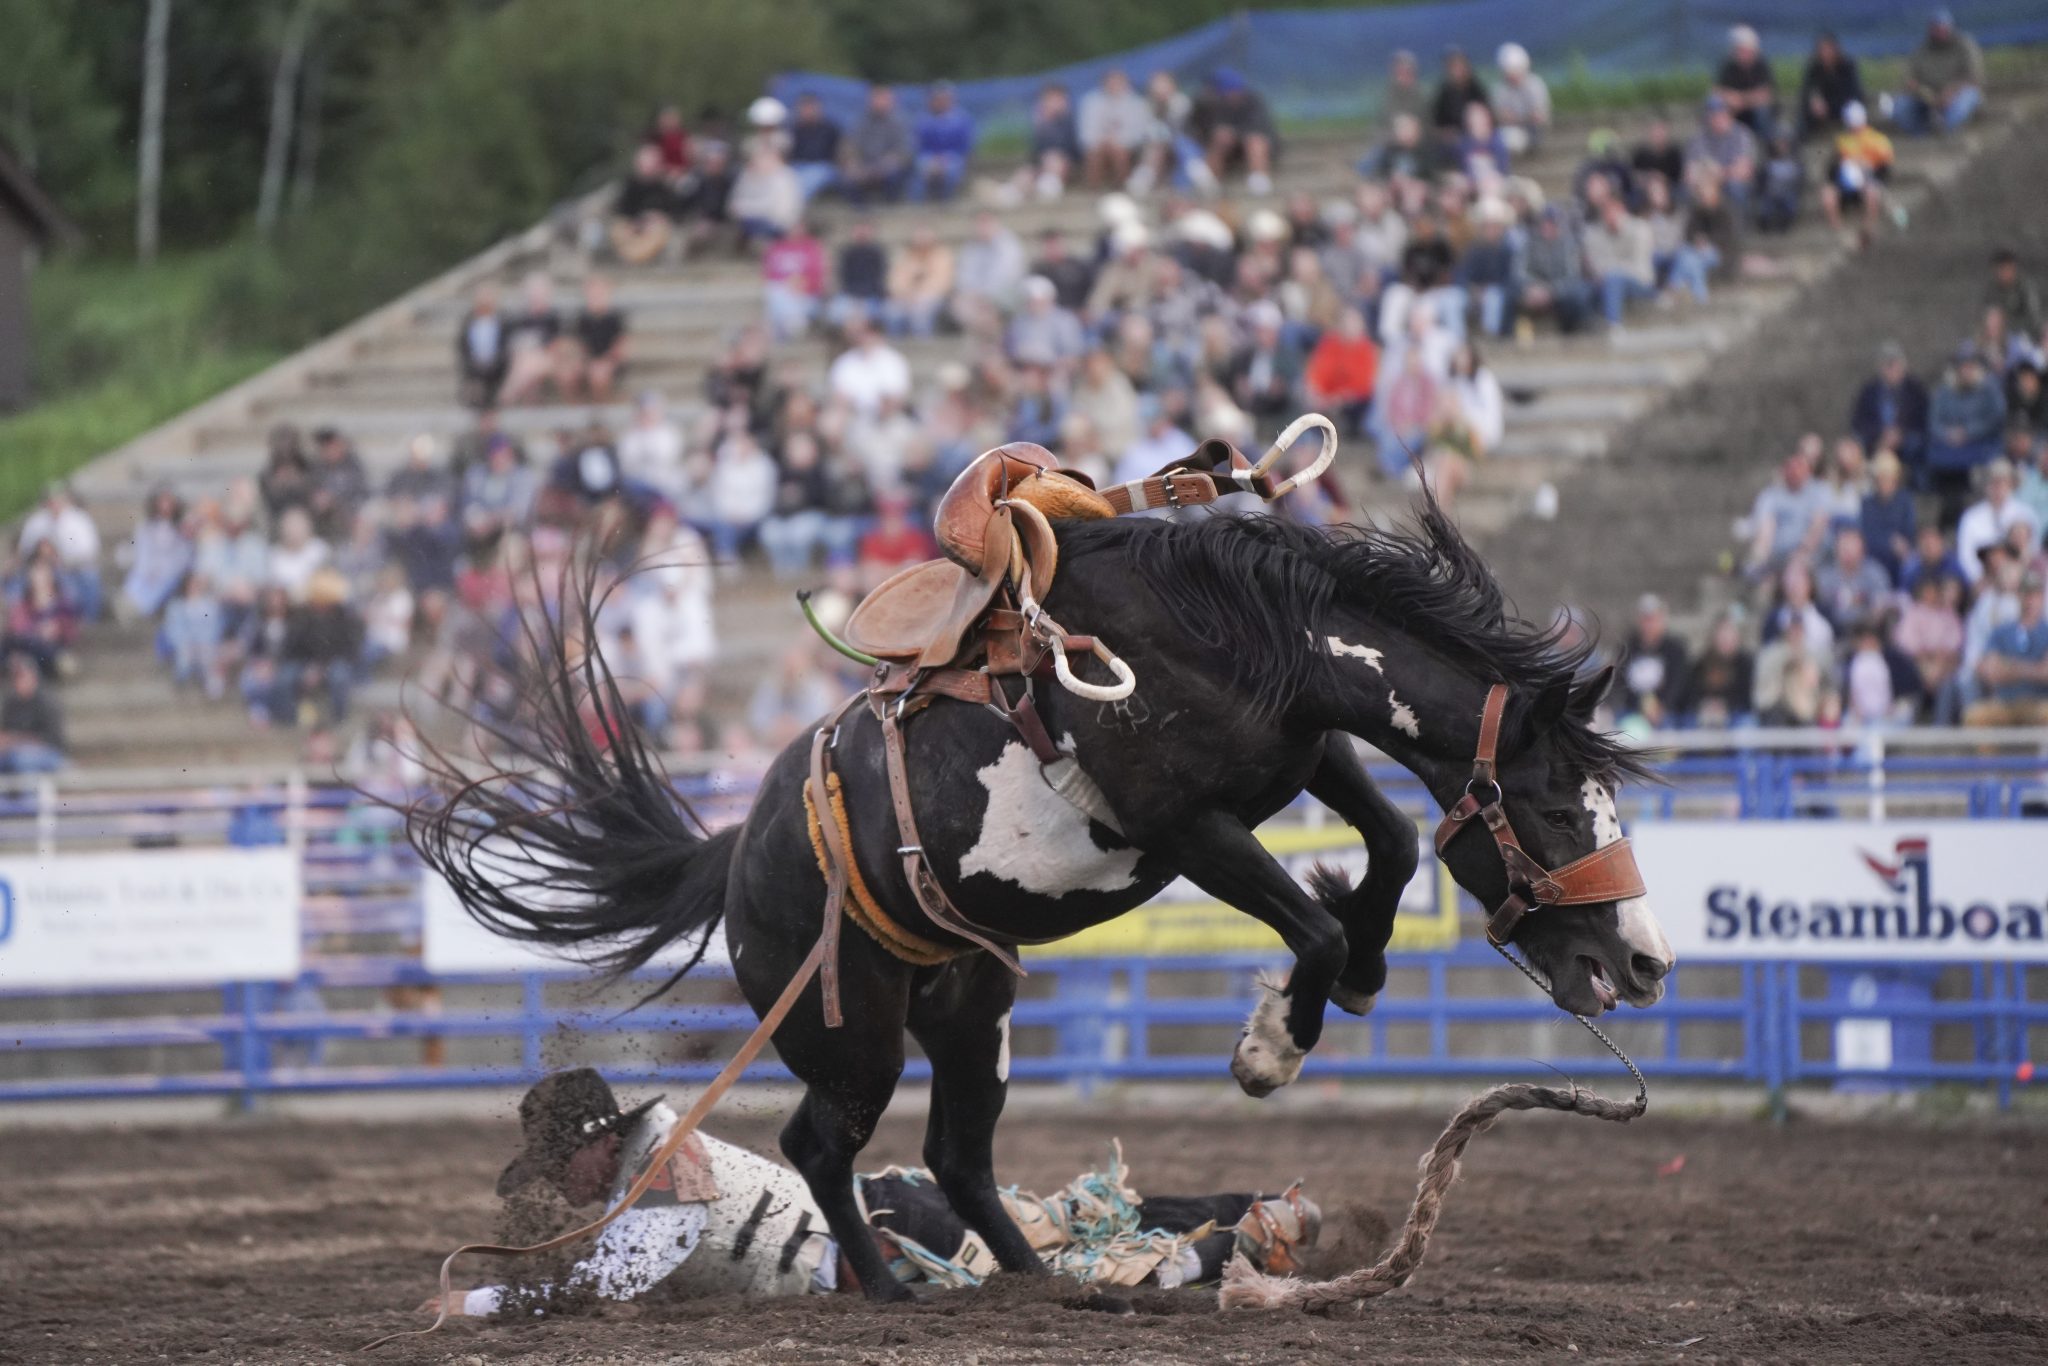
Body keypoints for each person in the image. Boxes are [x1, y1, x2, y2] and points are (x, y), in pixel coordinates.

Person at [428, 1070, 1320, 1321]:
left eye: (562, 1170)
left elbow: (613, 1282)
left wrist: (479, 1300)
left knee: (1063, 1278)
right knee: (1055, 1228)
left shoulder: (658, 1171)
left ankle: (1235, 1245)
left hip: (889, 1241)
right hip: (886, 1216)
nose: (566, 1191)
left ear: (594, 1148)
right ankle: (1251, 1205)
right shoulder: (652, 1162)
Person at [1928, 346, 2008, 508]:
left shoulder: (1989, 390)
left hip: (1980, 445)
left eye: (1970, 367)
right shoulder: (1945, 391)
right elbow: (1933, 422)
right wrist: (1948, 434)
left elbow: (1996, 418)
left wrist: (1968, 432)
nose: (1966, 371)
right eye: (1962, 367)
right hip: (1950, 445)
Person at [1965, 573, 2048, 725]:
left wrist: (2011, 666)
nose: (2030, 600)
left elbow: (2046, 673)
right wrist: (2032, 669)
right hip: (2005, 701)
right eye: (2026, 594)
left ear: (2042, 598)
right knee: (1975, 716)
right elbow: (1993, 672)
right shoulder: (2002, 631)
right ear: (2018, 596)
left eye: (2035, 595)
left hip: (2039, 701)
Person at [1893, 9, 1984, 135]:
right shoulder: (1921, 49)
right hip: (1927, 95)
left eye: (1942, 28)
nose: (1939, 32)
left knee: (1958, 110)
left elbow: (1973, 77)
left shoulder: (1965, 45)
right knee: (1901, 107)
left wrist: (1952, 91)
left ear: (1950, 27)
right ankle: (1921, 136)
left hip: (1958, 93)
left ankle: (1948, 131)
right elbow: (1908, 75)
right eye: (1935, 28)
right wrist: (1916, 87)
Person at [1745, 451, 1832, 580]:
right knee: (1756, 571)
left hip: (1811, 555)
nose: (1794, 472)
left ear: (1808, 470)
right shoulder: (1770, 496)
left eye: (1799, 467)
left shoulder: (1820, 492)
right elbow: (1765, 532)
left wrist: (1801, 552)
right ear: (1783, 470)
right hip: (1778, 558)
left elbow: (1817, 528)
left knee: (1798, 571)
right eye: (1790, 467)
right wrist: (1759, 557)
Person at [1191, 68, 1276, 196]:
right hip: (1226, 149)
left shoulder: (1254, 101)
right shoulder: (1211, 104)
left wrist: (1235, 133)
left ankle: (1259, 179)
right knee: (1221, 138)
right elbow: (1203, 129)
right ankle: (1210, 183)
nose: (1232, 95)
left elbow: (1260, 128)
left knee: (1255, 141)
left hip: (1253, 146)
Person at [1955, 458, 2041, 584]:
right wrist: (1979, 579)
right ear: (1986, 485)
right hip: (1982, 581)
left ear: (2011, 485)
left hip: (2019, 580)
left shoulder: (2026, 514)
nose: (1998, 488)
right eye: (1994, 482)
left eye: (2003, 482)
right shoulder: (1971, 517)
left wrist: (2015, 576)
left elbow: (2033, 550)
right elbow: (1966, 557)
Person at [1849, 341, 1930, 471]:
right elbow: (1858, 422)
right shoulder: (1869, 391)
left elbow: (1922, 419)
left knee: (1917, 444)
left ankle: (1917, 486)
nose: (1892, 370)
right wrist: (1881, 434)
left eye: (1895, 364)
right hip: (1877, 439)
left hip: (1906, 438)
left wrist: (1900, 433)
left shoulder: (1915, 390)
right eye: (1888, 365)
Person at [1820, 103, 1894, 239]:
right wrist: (1842, 164)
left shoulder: (1878, 140)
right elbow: (1830, 171)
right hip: (1844, 184)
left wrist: (1868, 168)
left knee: (1872, 191)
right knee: (1827, 193)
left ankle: (1868, 229)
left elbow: (1884, 169)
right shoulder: (1842, 141)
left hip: (1867, 182)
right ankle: (1838, 231)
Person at [1615, 594, 1689, 730]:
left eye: (1653, 619)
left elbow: (1678, 682)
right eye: (1645, 619)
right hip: (1633, 711)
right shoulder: (1627, 647)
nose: (1649, 624)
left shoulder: (1675, 649)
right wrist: (1641, 706)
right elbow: (1619, 682)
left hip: (1666, 711)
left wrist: (1662, 706)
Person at [1582, 195, 1656, 329]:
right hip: (1605, 283)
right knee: (1581, 290)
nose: (1610, 215)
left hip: (1640, 283)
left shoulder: (1640, 229)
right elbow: (1596, 267)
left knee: (1613, 277)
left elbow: (1639, 268)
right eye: (1606, 211)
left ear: (1622, 210)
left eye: (1613, 210)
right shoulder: (1593, 233)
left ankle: (1613, 325)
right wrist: (1614, 270)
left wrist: (1614, 270)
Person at [1304, 306, 1379, 437]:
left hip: (1353, 400)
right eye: (1346, 324)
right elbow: (1318, 371)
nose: (1349, 328)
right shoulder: (1329, 343)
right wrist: (1317, 394)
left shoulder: (1366, 349)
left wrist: (1340, 398)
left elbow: (1364, 384)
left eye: (1353, 324)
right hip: (1328, 398)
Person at [1679, 611, 1756, 727]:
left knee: (1746, 724)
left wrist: (1726, 706)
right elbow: (1691, 695)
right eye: (1721, 632)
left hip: (1735, 714)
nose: (1725, 637)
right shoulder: (1701, 663)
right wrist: (1706, 705)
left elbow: (1747, 698)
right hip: (1703, 713)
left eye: (1729, 632)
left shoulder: (1746, 663)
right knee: (1688, 723)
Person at [560, 275, 628, 402]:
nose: (595, 297)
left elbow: (620, 347)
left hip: (608, 362)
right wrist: (584, 362)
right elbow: (577, 345)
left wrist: (605, 363)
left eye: (598, 293)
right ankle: (575, 408)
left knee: (598, 374)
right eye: (592, 293)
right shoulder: (582, 318)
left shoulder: (615, 317)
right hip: (588, 361)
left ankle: (599, 411)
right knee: (567, 374)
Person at [499, 273, 564, 406]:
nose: (535, 297)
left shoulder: (552, 317)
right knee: (525, 361)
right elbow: (514, 344)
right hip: (524, 361)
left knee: (528, 362)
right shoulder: (522, 318)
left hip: (546, 359)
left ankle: (509, 393)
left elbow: (555, 345)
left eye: (539, 293)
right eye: (533, 294)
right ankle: (527, 400)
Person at [1079, 69, 1150, 188]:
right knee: (1095, 153)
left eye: (1118, 82)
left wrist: (1118, 141)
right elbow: (1086, 131)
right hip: (1098, 144)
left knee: (1119, 152)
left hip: (1126, 146)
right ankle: (1093, 188)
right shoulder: (1091, 102)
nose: (1114, 86)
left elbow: (1139, 133)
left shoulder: (1137, 104)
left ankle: (1122, 186)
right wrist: (1102, 141)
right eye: (1111, 82)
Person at [843, 85, 913, 204]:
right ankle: (860, 208)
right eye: (876, 99)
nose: (879, 103)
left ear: (891, 102)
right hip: (864, 163)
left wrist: (883, 166)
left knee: (894, 173)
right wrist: (853, 164)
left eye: (883, 99)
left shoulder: (900, 122)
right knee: (847, 177)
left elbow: (905, 151)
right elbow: (850, 145)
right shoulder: (861, 121)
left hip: (888, 164)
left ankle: (890, 203)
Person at [827, 320, 911, 417]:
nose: (866, 338)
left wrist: (882, 411)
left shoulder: (894, 360)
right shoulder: (844, 362)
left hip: (887, 414)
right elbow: (839, 396)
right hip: (852, 414)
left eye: (870, 334)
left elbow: (896, 396)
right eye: (863, 334)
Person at [761, 218, 826, 342]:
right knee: (774, 291)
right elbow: (770, 273)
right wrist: (788, 283)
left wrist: (803, 284)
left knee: (781, 297)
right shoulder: (777, 248)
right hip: (782, 291)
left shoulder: (812, 248)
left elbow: (818, 277)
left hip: (806, 294)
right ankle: (784, 328)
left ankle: (786, 328)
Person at [883, 226, 954, 338]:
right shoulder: (904, 256)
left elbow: (942, 284)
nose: (922, 241)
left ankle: (922, 347)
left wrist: (919, 293)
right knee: (892, 310)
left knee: (921, 311)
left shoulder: (942, 256)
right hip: (905, 298)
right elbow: (894, 283)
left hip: (931, 298)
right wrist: (908, 294)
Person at [910, 82, 975, 203]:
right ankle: (916, 206)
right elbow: (918, 147)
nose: (940, 102)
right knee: (921, 170)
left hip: (953, 157)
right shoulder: (922, 120)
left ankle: (946, 204)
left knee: (951, 171)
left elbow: (965, 147)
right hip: (928, 157)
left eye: (943, 98)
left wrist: (945, 159)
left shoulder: (962, 119)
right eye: (937, 99)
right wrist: (933, 160)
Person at [1712, 24, 1779, 142]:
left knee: (1762, 110)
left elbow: (1765, 94)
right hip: (1735, 109)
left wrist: (1741, 99)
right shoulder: (1729, 66)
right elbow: (1717, 90)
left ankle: (1764, 143)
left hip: (1754, 111)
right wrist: (1730, 98)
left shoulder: (1761, 66)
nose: (1740, 53)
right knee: (1714, 104)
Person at [0, 652, 64, 773]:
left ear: (33, 677)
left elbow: (51, 739)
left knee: (22, 761)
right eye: (16, 677)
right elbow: (5, 732)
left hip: (48, 752)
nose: (18, 682)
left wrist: (16, 740)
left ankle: (29, 792)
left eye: (22, 676)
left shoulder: (47, 702)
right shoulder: (11, 703)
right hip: (14, 751)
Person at [1861, 449, 1917, 581]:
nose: (1884, 482)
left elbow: (1909, 530)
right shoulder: (1867, 503)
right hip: (1874, 555)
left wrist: (1901, 544)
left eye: (1888, 477)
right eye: (1880, 477)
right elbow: (1867, 533)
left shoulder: (1905, 500)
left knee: (1911, 563)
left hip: (1900, 555)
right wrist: (1889, 541)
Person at [1797, 31, 1865, 139]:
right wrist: (1814, 101)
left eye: (1828, 49)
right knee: (1805, 113)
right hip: (1822, 108)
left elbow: (1853, 93)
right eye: (1822, 49)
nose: (1826, 53)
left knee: (1855, 110)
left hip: (1842, 105)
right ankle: (1803, 141)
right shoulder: (1814, 68)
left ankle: (1857, 141)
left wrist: (1830, 104)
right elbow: (1807, 91)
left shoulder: (1847, 66)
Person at [455, 284, 511, 407]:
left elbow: (506, 348)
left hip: (498, 369)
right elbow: (463, 349)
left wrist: (495, 364)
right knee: (474, 388)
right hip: (475, 368)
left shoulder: (503, 321)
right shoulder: (468, 322)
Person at [829, 215, 888, 331]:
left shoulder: (877, 253)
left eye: (865, 229)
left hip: (871, 296)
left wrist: (862, 299)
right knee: (836, 313)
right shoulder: (846, 252)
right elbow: (843, 278)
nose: (862, 233)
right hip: (849, 295)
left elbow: (878, 280)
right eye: (859, 229)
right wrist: (854, 298)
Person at [1491, 42, 1550, 154]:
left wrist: (1518, 118)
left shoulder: (1535, 85)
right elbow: (1502, 116)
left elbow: (1540, 117)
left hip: (1534, 131)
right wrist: (1525, 118)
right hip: (1511, 130)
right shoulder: (1500, 89)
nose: (1513, 74)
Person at [787, 92, 843, 203]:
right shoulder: (795, 130)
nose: (807, 111)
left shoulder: (830, 129)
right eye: (804, 108)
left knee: (810, 178)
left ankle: (794, 203)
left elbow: (840, 152)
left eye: (810, 107)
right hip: (798, 165)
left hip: (823, 166)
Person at [1429, 46, 1489, 147]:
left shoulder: (1476, 88)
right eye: (1453, 66)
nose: (1457, 70)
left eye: (1459, 65)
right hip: (1453, 138)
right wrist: (1444, 132)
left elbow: (1488, 112)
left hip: (1478, 134)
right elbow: (1436, 120)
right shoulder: (1443, 92)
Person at [1985, 249, 2045, 342]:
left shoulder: (2025, 288)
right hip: (1997, 337)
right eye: (1999, 270)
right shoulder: (1992, 289)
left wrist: (2006, 324)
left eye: (2005, 269)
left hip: (2025, 337)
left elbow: (2034, 319)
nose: (2002, 274)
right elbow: (1985, 313)